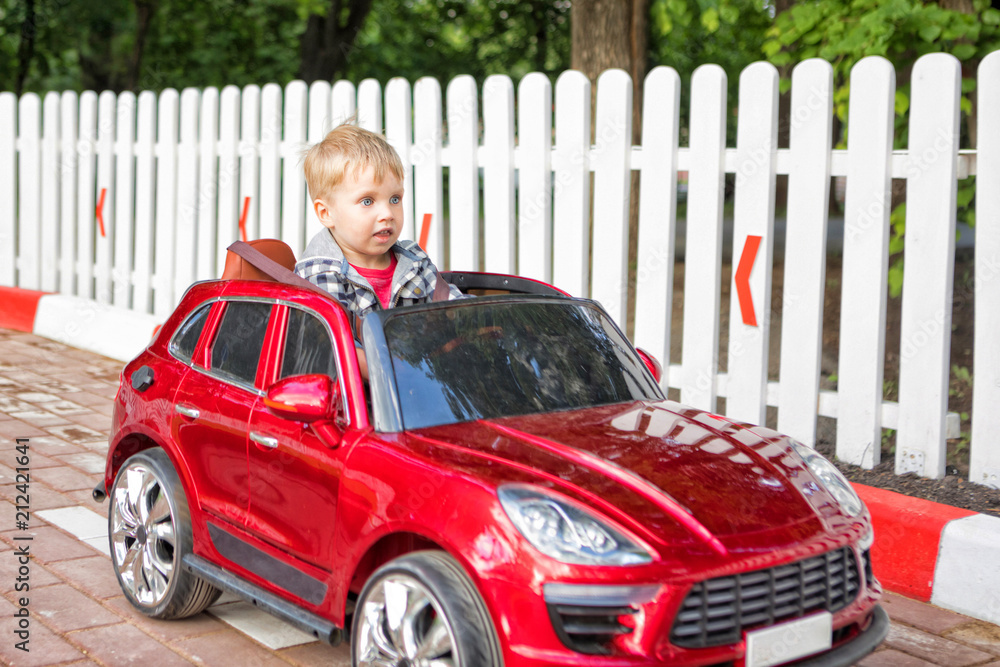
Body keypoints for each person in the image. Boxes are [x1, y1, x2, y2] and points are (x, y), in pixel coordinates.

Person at [295, 123, 464, 378]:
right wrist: (405, 371)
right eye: (367, 201)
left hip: (417, 387)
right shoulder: (320, 274)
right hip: (352, 396)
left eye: (395, 199)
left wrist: (478, 323)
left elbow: (453, 307)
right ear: (326, 213)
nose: (387, 213)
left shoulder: (413, 261)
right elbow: (337, 351)